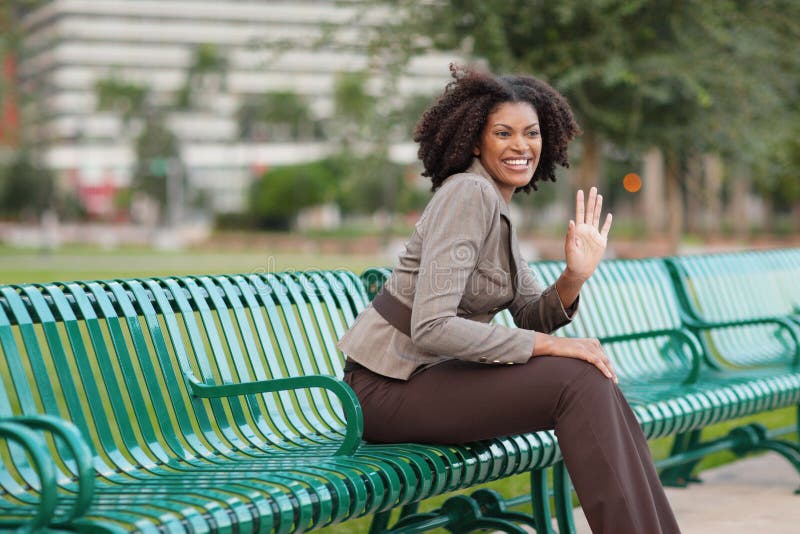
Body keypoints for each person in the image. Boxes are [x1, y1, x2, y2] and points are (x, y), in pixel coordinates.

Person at [337, 64, 680, 534]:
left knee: (591, 380)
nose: (521, 146)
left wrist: (574, 276)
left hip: (428, 381)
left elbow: (528, 315)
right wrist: (555, 347)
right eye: (504, 133)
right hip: (385, 389)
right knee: (577, 380)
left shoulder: (497, 204)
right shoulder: (468, 194)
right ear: (476, 141)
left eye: (531, 133)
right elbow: (431, 327)